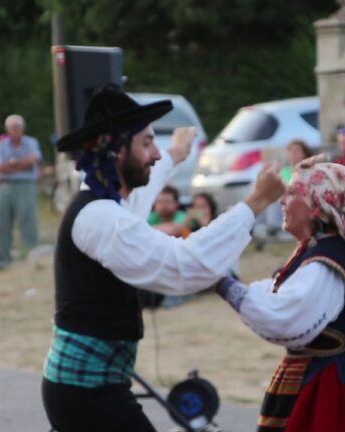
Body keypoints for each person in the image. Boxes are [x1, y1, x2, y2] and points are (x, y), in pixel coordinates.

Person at [40, 85, 284, 432]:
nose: (155, 153)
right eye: (146, 143)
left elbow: (140, 196)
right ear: (114, 150)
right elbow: (183, 266)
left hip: (89, 387)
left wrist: (176, 154)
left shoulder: (106, 201)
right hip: (86, 391)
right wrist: (255, 203)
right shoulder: (99, 217)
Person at [215, 162, 345, 432]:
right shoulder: (316, 249)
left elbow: (283, 315)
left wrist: (223, 284)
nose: (283, 200)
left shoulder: (328, 258)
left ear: (318, 205)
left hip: (340, 384)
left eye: (293, 193)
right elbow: (279, 297)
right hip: (328, 372)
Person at [0, 114, 42, 271]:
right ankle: (3, 259)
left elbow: (33, 160)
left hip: (25, 184)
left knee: (28, 220)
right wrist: (21, 165)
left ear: (23, 128)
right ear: (7, 130)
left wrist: (12, 166)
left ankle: (31, 256)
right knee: (2, 222)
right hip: (5, 184)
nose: (15, 130)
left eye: (18, 127)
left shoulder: (31, 142)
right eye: (12, 128)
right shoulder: (2, 145)